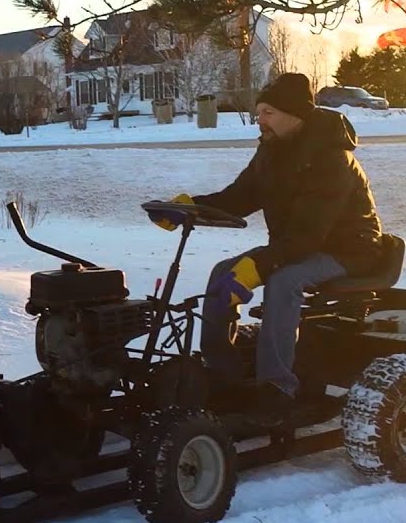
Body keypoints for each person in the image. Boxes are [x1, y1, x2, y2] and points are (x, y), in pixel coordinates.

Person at [151, 72, 384, 424]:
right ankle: (222, 373)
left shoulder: (331, 159)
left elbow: (309, 236)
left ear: (296, 115)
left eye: (267, 112)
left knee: (283, 282)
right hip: (299, 245)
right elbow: (240, 196)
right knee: (221, 273)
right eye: (259, 112)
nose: (259, 120)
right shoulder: (272, 151)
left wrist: (259, 266)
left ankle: (277, 389)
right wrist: (189, 208)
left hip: (350, 250)